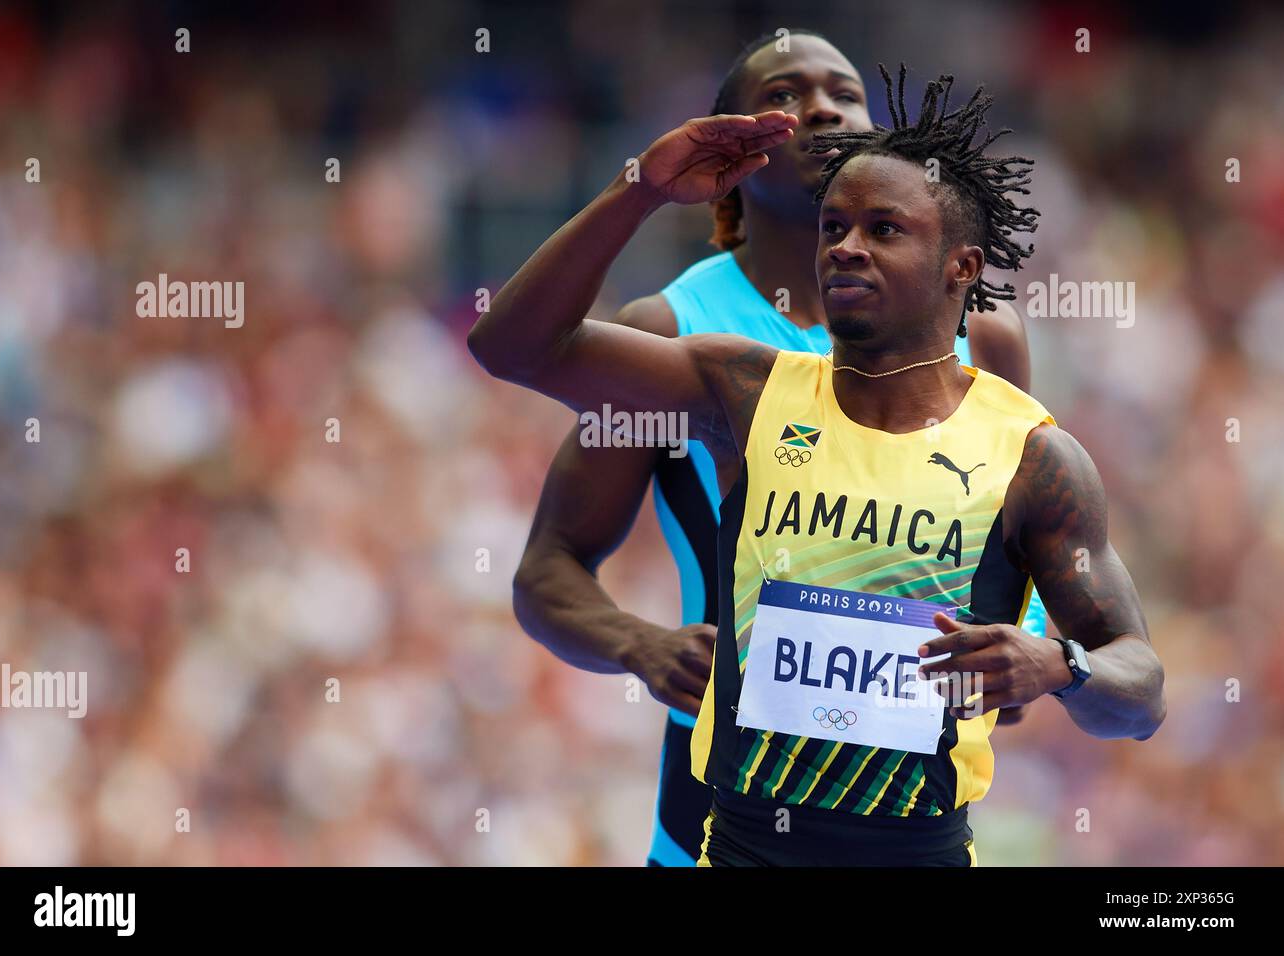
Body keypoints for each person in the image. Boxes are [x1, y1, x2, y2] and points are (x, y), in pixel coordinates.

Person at [469, 64, 1165, 866]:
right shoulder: (744, 389)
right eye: (834, 228)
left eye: (883, 230)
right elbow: (513, 347)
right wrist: (641, 190)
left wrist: (1058, 665)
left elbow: (1140, 693)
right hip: (736, 844)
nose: (845, 249)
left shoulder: (1036, 456)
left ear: (962, 268)